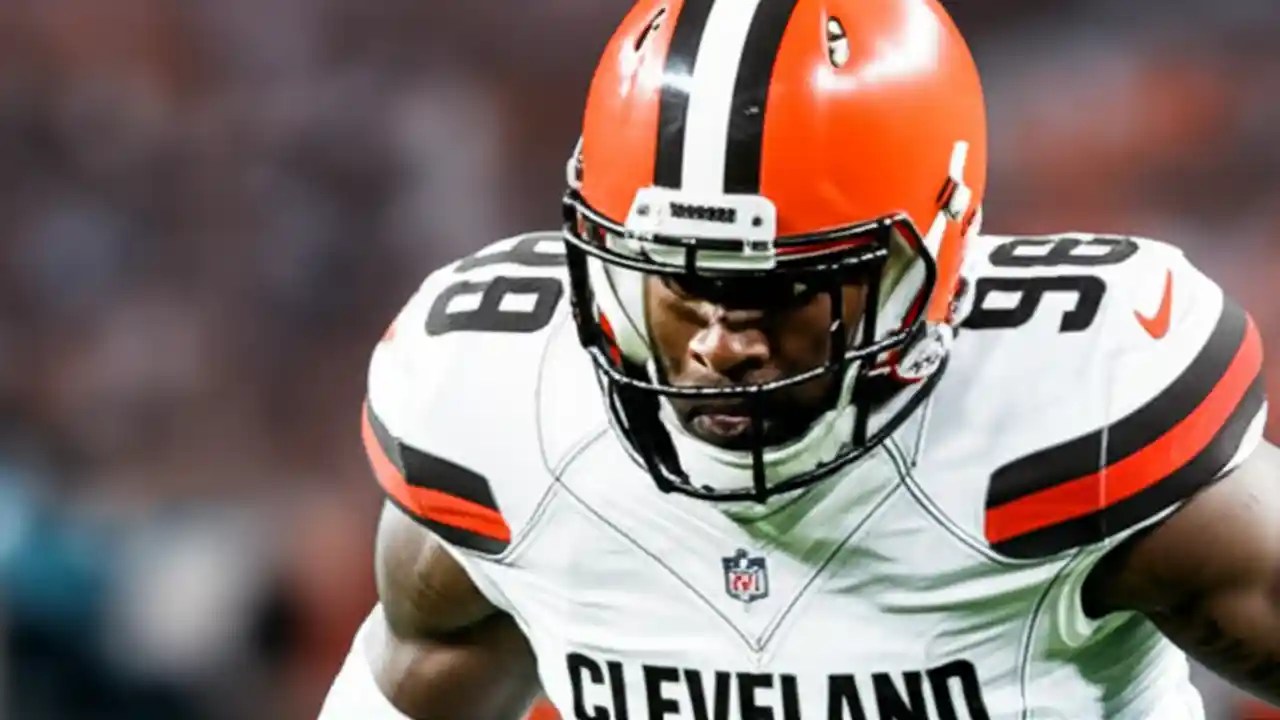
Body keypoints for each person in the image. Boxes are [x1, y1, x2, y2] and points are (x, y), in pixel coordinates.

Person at [319, 0, 1280, 718]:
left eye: (783, 292)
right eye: (678, 284)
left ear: (932, 263)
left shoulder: (1075, 419)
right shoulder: (503, 423)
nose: (720, 343)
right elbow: (403, 677)